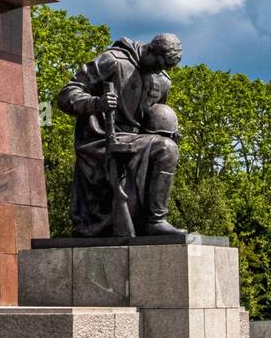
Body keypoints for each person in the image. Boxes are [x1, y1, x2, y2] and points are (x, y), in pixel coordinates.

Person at [57, 33, 183, 237]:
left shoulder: (162, 80)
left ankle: (155, 220)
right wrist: (96, 103)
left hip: (138, 139)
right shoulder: (113, 61)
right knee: (165, 148)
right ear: (150, 49)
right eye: (159, 64)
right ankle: (155, 219)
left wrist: (169, 131)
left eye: (165, 68)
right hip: (100, 140)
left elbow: (155, 116)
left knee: (167, 146)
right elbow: (66, 95)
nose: (159, 71)